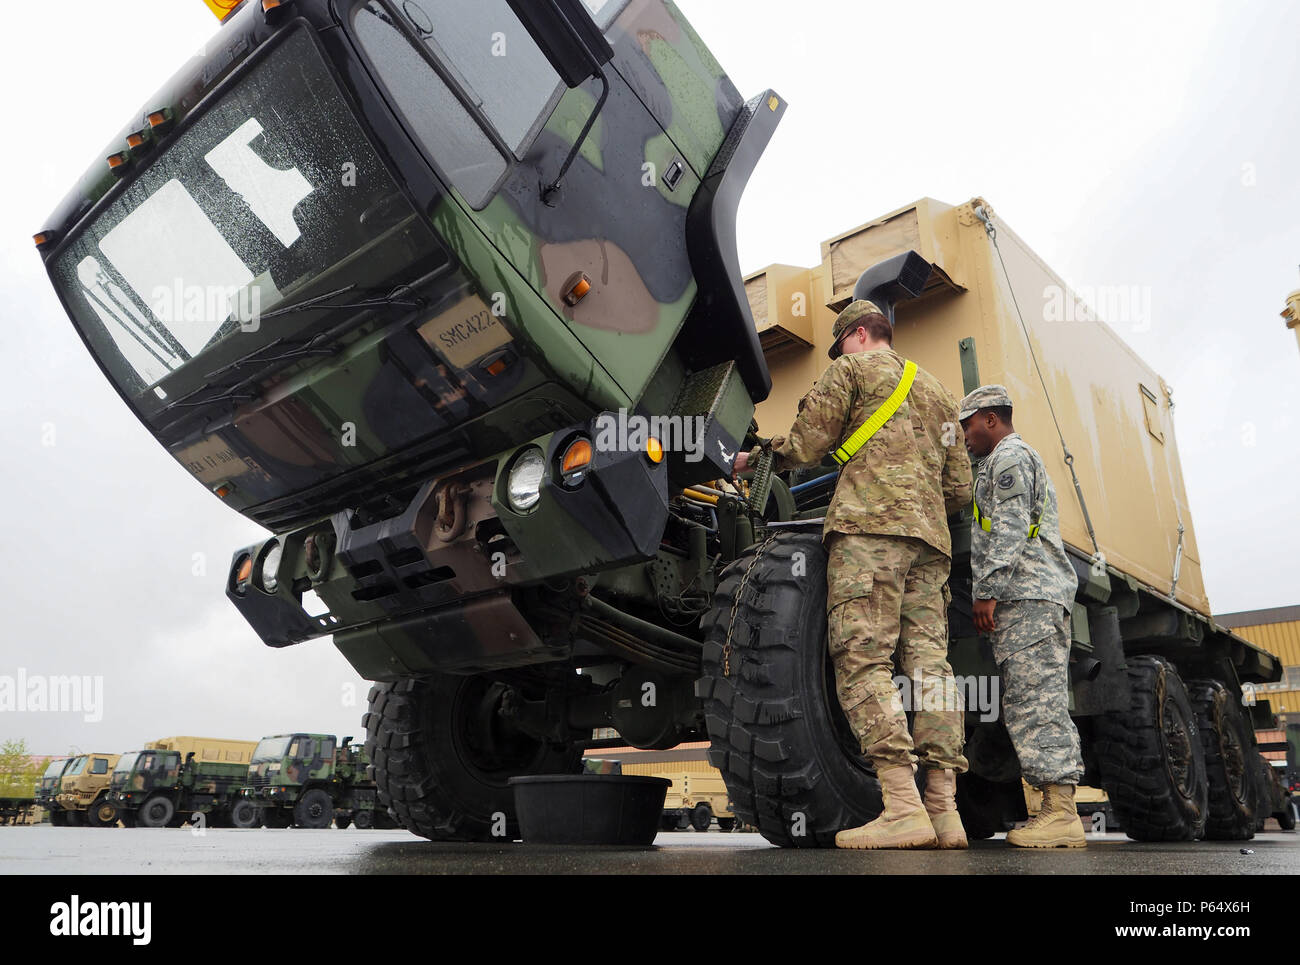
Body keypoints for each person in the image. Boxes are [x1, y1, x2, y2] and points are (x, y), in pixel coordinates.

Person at [734, 299, 972, 849]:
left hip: (869, 532)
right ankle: (945, 812)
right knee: (931, 668)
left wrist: (759, 458)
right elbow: (960, 488)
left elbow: (806, 444)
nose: (839, 352)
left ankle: (902, 807)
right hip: (929, 544)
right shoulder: (940, 393)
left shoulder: (851, 371)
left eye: (840, 342)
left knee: (864, 659)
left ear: (859, 335)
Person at [957, 385, 1086, 848]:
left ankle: (1061, 814)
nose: (964, 435)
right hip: (1028, 599)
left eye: (968, 425)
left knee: (1037, 702)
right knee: (1027, 700)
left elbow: (1010, 529)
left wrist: (986, 592)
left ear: (991, 418)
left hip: (1028, 597)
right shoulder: (1001, 461)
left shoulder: (1009, 458)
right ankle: (1053, 810)